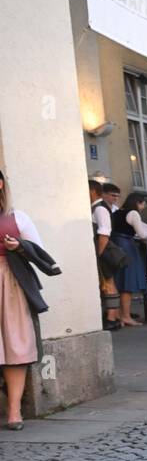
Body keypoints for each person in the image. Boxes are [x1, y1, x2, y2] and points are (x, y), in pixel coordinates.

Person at [0, 169, 60, 430]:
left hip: (10, 284)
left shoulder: (17, 217)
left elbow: (39, 251)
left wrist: (19, 247)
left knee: (15, 347)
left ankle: (14, 411)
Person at [110, 192, 147, 326]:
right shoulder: (133, 213)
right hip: (127, 247)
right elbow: (142, 233)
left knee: (119, 282)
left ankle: (119, 315)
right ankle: (126, 316)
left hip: (116, 247)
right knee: (128, 283)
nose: (144, 206)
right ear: (137, 202)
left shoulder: (116, 213)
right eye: (143, 203)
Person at [90, 180, 121, 330]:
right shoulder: (98, 207)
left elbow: (104, 233)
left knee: (109, 284)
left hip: (103, 251)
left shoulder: (100, 209)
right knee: (108, 284)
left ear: (92, 191)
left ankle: (112, 318)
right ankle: (112, 316)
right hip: (103, 250)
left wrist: (99, 254)